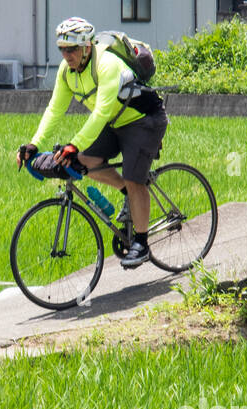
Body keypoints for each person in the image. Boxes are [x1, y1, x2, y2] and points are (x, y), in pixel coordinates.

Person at [17, 17, 169, 268]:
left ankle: (141, 244)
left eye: (72, 49)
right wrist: (34, 143)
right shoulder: (67, 72)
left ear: (87, 47)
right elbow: (55, 109)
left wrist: (73, 144)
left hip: (144, 120)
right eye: (62, 49)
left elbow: (100, 112)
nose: (67, 55)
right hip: (115, 121)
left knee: (134, 179)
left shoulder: (106, 64)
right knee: (86, 161)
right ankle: (128, 197)